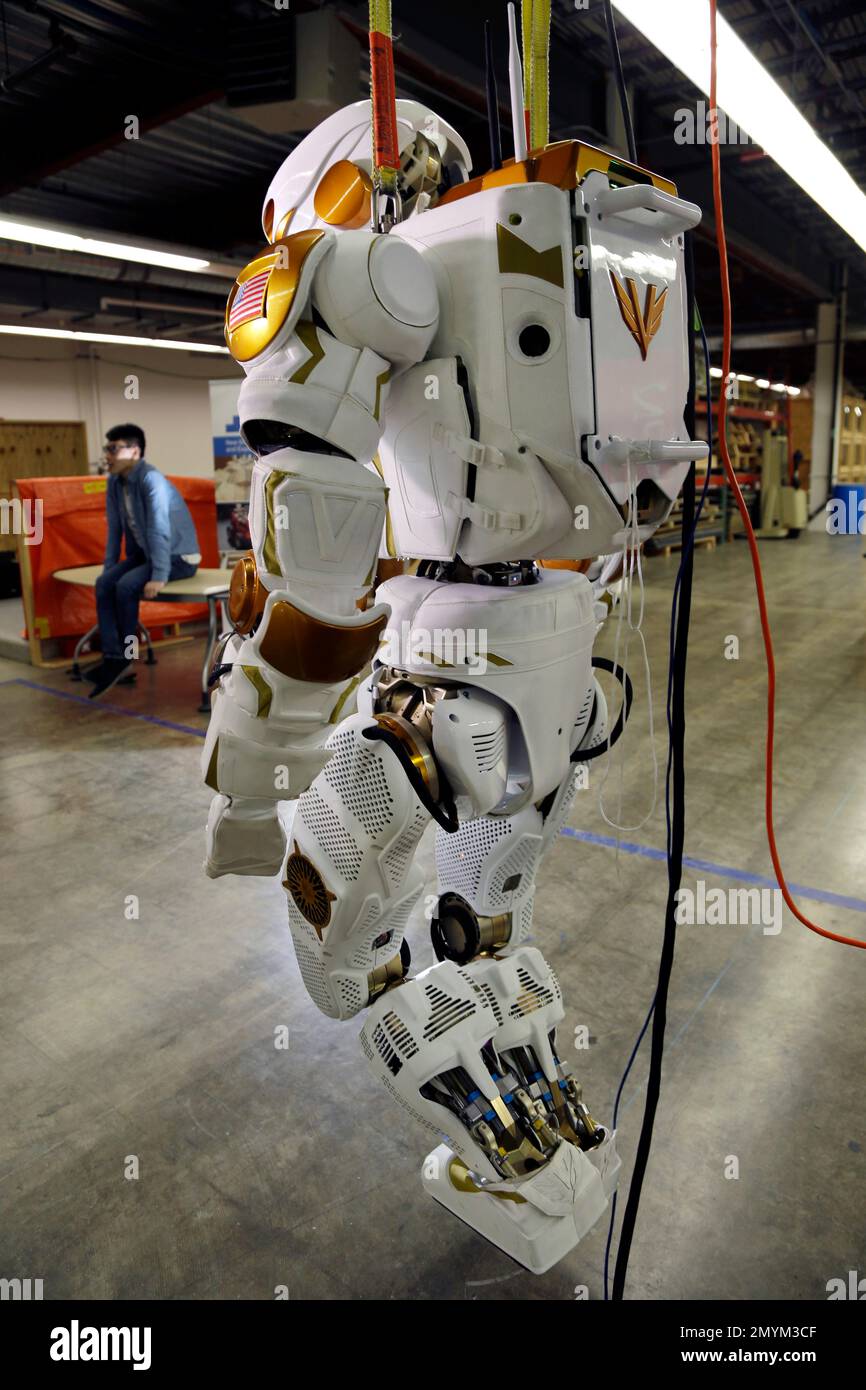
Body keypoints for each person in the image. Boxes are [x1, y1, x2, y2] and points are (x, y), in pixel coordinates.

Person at [88, 424, 201, 698]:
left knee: (126, 586)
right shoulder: (115, 482)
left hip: (178, 557)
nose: (108, 455)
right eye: (107, 449)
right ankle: (113, 658)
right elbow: (114, 530)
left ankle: (126, 656)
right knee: (105, 584)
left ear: (135, 451)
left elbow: (158, 528)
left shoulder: (151, 479)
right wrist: (110, 569)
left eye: (114, 449)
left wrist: (159, 575)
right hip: (147, 555)